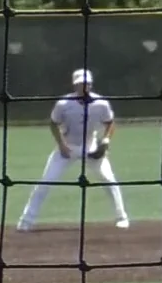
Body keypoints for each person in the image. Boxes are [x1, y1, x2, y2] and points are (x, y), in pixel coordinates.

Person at [18, 68, 129, 231]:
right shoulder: (63, 104)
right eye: (80, 84)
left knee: (108, 180)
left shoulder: (101, 103)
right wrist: (61, 144)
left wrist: (105, 142)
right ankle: (26, 220)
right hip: (68, 148)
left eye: (87, 83)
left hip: (91, 147)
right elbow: (53, 123)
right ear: (75, 85)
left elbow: (110, 123)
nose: (84, 87)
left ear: (91, 84)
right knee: (46, 182)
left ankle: (122, 217)